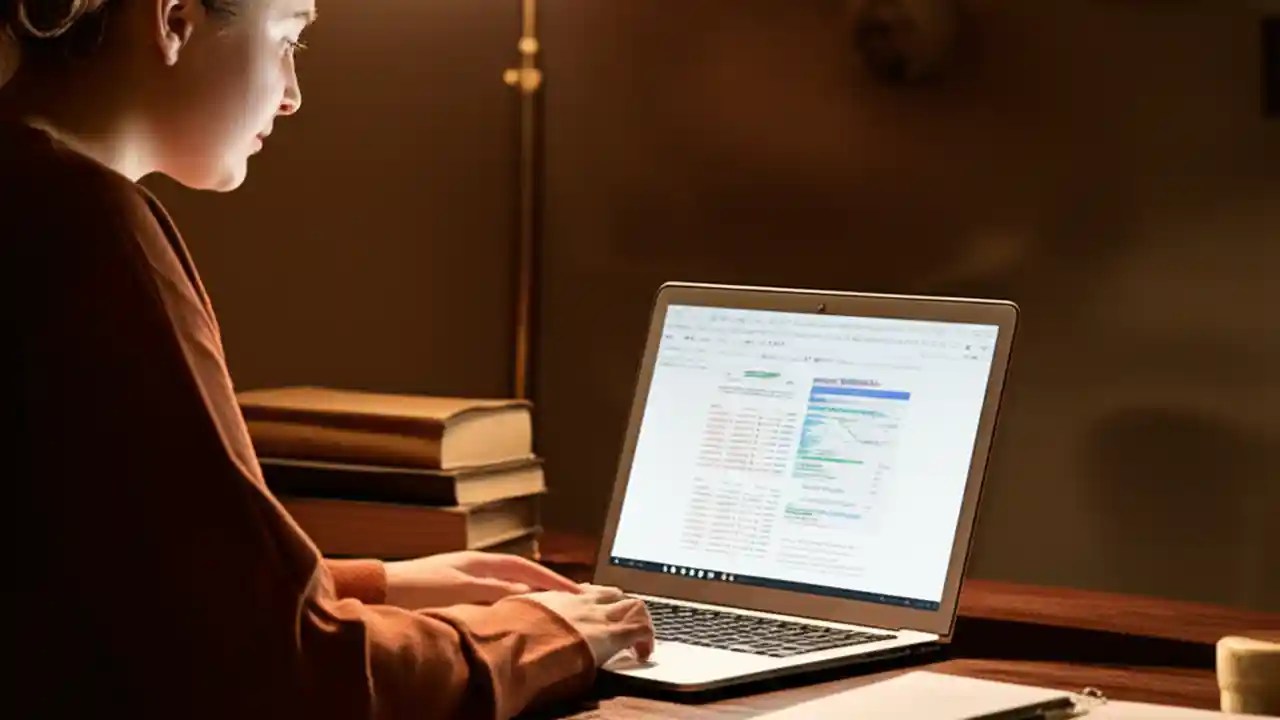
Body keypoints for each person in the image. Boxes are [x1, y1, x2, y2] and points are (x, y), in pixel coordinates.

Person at [2, 1, 654, 718]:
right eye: (290, 38)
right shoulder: (89, 232)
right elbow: (283, 674)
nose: (291, 95)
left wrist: (374, 584)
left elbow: (108, 594)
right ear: (175, 20)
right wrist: (538, 635)